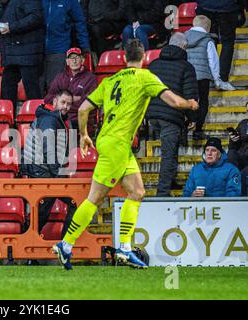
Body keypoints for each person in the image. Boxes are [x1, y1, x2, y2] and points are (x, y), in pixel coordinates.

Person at [52, 39, 199, 270]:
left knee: (137, 192)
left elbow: (82, 109)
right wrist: (190, 104)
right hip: (118, 144)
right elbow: (173, 100)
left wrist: (83, 135)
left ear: (123, 58)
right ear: (144, 58)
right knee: (95, 198)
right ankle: (66, 244)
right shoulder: (145, 77)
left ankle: (124, 248)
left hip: (113, 143)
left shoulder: (110, 80)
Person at [146, 32, 199, 196]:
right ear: (184, 46)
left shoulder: (153, 64)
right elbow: (191, 94)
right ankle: (162, 192)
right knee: (168, 154)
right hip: (170, 115)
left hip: (152, 116)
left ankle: (170, 179)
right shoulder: (186, 66)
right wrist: (192, 118)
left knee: (171, 149)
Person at [22, 89, 76, 239]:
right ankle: (64, 245)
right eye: (63, 102)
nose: (66, 106)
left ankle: (29, 248)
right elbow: (48, 148)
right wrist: (57, 173)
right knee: (71, 201)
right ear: (54, 102)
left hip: (44, 169)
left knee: (42, 211)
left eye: (69, 104)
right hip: (42, 170)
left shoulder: (54, 118)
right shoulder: (49, 119)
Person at [185, 15, 235, 141]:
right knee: (203, 101)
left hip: (187, 77)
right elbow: (213, 61)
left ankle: (186, 128)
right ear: (207, 28)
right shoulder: (208, 40)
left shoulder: (183, 37)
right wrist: (217, 80)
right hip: (202, 76)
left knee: (188, 101)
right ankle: (198, 130)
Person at [0, 0, 45, 109]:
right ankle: (7, 120)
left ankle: (39, 121)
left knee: (32, 91)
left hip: (28, 52)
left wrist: (12, 27)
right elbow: (10, 17)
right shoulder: (10, 2)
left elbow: (36, 17)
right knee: (7, 88)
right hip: (14, 52)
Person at [44, 47, 98, 137]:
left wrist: (61, 102)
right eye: (71, 58)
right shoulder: (60, 77)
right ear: (67, 62)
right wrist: (73, 99)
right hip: (60, 118)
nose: (74, 61)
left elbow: (88, 104)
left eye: (77, 58)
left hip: (79, 120)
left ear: (82, 60)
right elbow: (48, 99)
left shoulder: (90, 78)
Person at [42, 0, 91, 91]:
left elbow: (80, 22)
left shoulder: (70, 1)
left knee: (54, 87)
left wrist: (84, 45)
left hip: (59, 48)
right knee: (37, 88)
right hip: (36, 49)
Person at [195, 0, 244, 84]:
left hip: (205, 6)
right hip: (228, 7)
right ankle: (222, 78)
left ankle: (206, 76)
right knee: (227, 43)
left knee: (206, 41)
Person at [226, 102, 248, 195]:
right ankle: (232, 182)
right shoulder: (243, 123)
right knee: (231, 153)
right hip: (243, 159)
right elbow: (232, 147)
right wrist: (234, 140)